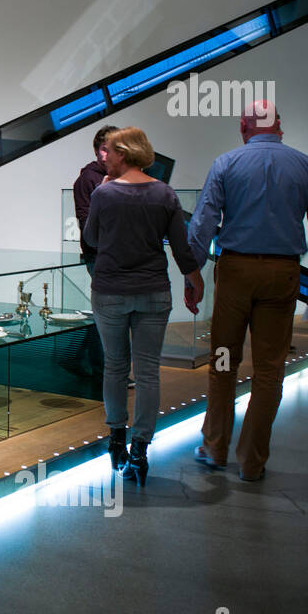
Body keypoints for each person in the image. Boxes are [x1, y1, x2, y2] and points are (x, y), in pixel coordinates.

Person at [186, 100, 308, 481]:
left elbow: (203, 222)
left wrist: (193, 274)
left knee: (223, 362)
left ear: (244, 127)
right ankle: (252, 463)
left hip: (235, 271)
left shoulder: (226, 163)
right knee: (270, 370)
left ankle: (215, 448)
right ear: (280, 127)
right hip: (283, 274)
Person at [83, 127, 204, 485]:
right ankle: (140, 449)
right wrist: (195, 281)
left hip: (110, 291)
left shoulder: (104, 193)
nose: (105, 157)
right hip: (153, 291)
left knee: (115, 367)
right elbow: (182, 248)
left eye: (110, 151)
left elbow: (91, 238)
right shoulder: (164, 194)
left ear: (124, 154)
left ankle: (115, 439)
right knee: (148, 371)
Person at [73, 124, 118, 275]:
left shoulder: (123, 175)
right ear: (96, 151)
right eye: (104, 149)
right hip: (98, 255)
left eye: (112, 150)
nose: (106, 156)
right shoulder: (86, 179)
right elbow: (86, 223)